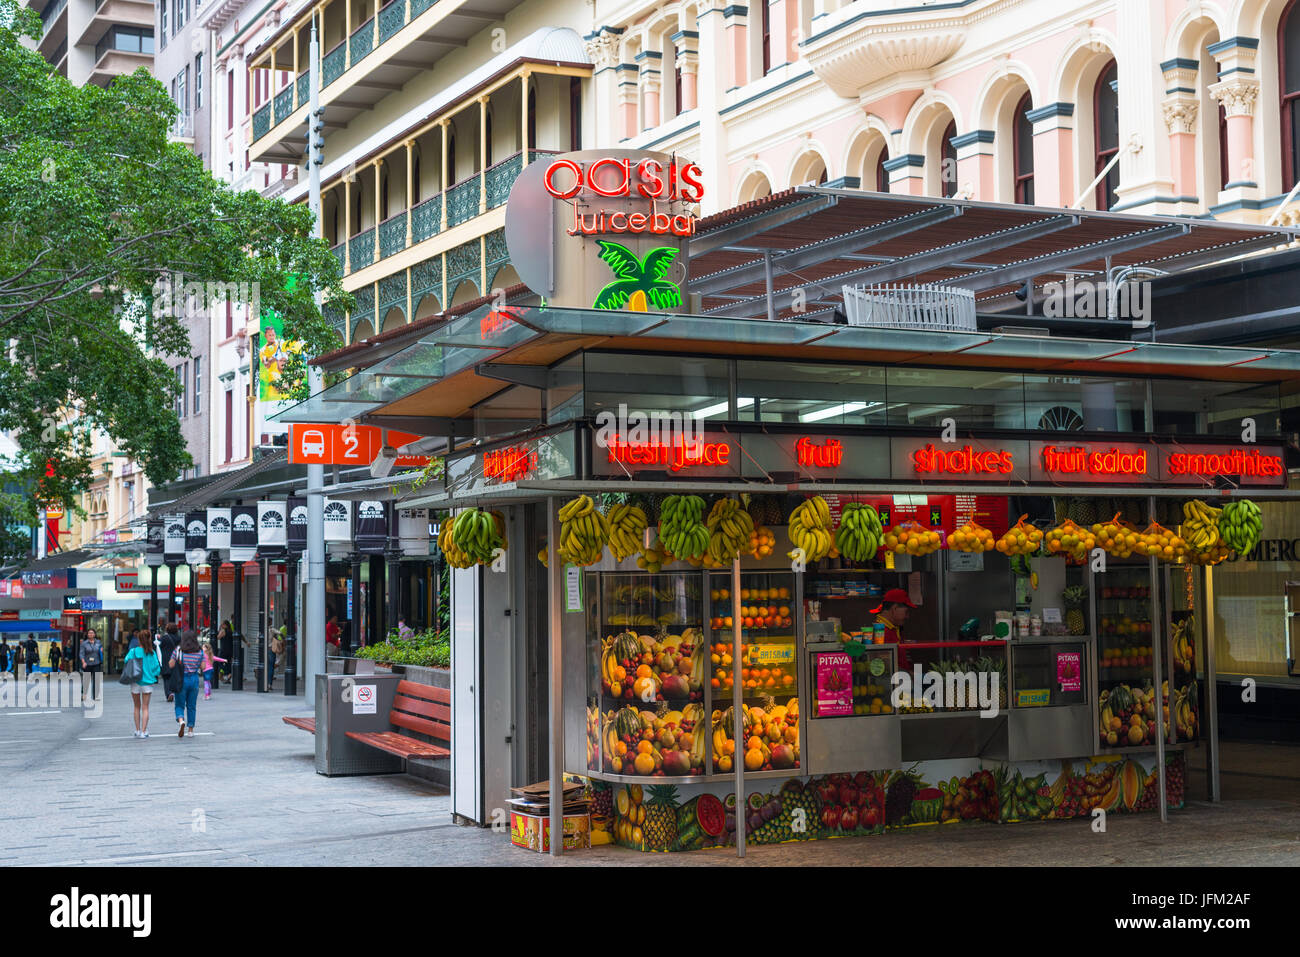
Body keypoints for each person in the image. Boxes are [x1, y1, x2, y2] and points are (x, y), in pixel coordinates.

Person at [124, 630, 161, 738]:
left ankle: (137, 730)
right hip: (148, 682)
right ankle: (144, 732)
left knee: (136, 706)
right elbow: (157, 668)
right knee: (145, 707)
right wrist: (152, 674)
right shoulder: (151, 652)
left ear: (139, 639)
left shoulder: (133, 651)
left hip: (135, 680)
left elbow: (126, 661)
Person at [169, 631, 205, 737]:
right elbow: (203, 667)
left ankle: (181, 720)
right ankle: (190, 730)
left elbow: (171, 665)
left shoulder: (178, 650)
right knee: (191, 706)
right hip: (194, 679)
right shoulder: (200, 652)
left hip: (181, 679)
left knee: (179, 704)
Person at [79, 628, 103, 703]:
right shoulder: (84, 643)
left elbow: (100, 651)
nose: (91, 634)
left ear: (95, 634)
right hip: (87, 664)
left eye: (92, 633)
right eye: (89, 633)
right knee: (86, 680)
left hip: (96, 663)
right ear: (87, 634)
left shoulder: (98, 642)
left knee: (96, 680)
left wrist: (101, 651)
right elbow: (81, 654)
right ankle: (84, 694)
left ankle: (95, 695)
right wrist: (83, 662)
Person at [159, 625, 181, 702]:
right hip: (176, 659)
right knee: (174, 676)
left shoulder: (164, 638)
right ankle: (174, 691)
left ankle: (169, 693)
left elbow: (159, 646)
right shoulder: (179, 638)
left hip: (166, 659)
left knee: (166, 677)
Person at [267, 627, 285, 691]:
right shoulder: (272, 629)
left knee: (266, 667)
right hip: (271, 650)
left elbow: (257, 641)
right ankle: (269, 684)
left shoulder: (261, 630)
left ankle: (265, 683)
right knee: (271, 667)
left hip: (264, 650)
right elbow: (280, 633)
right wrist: (283, 640)